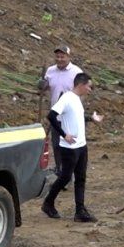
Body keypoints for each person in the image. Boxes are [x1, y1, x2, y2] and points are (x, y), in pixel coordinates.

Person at [42, 73, 104, 222]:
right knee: (65, 177)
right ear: (81, 85)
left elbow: (75, 117)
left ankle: (80, 211)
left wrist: (91, 118)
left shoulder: (77, 100)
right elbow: (51, 116)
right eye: (89, 86)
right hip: (69, 148)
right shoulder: (67, 98)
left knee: (81, 178)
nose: (90, 89)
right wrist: (64, 134)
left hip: (81, 145)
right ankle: (48, 203)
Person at [38, 45, 83, 175]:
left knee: (70, 146)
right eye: (57, 56)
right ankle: (60, 170)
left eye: (62, 56)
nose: (60, 59)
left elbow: (83, 91)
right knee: (57, 145)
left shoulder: (76, 72)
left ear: (68, 57)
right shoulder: (51, 71)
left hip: (70, 116)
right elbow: (45, 87)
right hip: (55, 115)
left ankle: (70, 173)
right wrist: (41, 85)